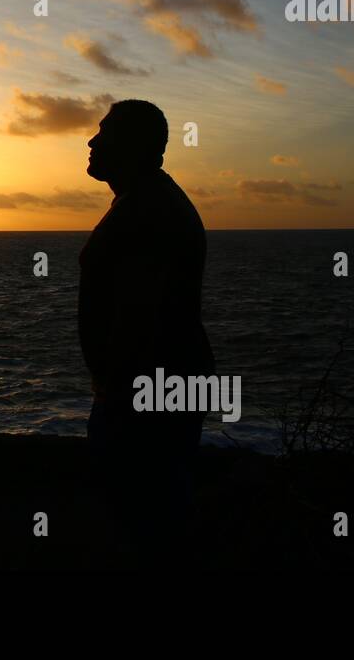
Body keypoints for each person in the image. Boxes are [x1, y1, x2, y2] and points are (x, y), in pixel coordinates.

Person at [79, 99, 214, 551]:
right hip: (146, 389)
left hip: (145, 395)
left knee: (142, 527)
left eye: (106, 133)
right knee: (150, 519)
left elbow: (141, 312)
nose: (93, 141)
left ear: (136, 146)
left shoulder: (149, 211)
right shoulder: (141, 203)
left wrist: (117, 394)